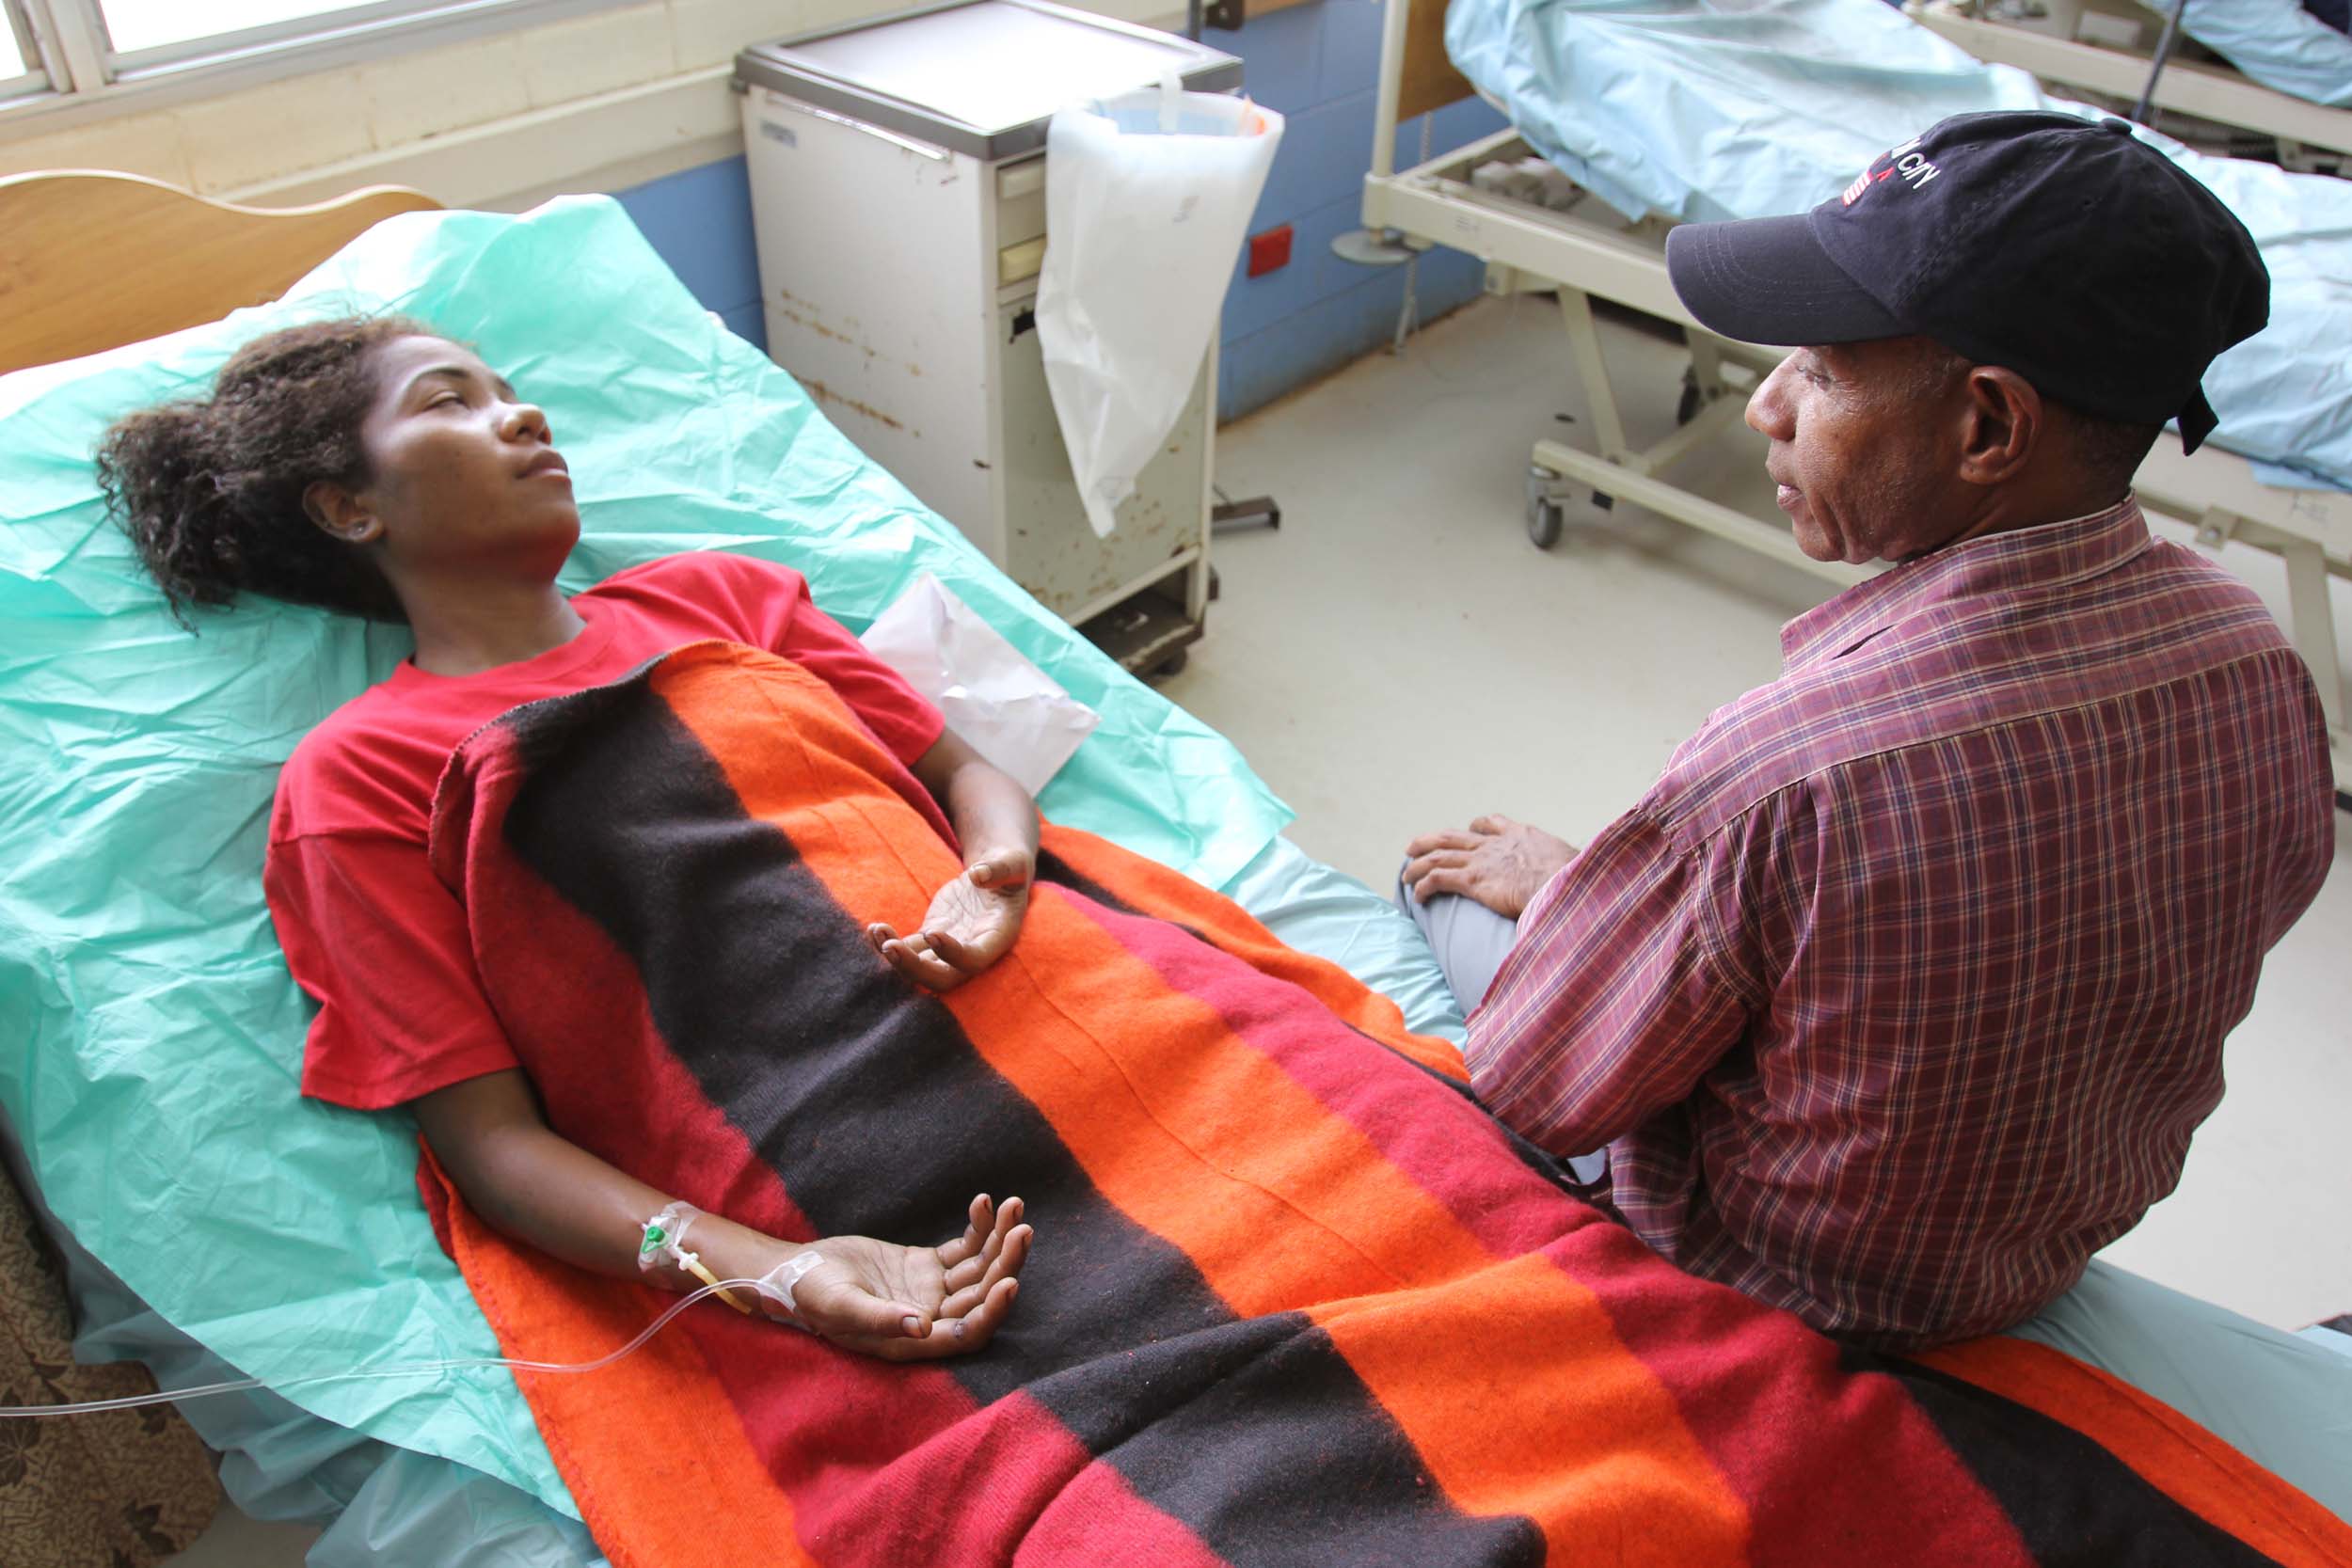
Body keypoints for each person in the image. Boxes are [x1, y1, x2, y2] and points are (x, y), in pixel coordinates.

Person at [1401, 111, 2336, 1349]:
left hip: (1782, 1275)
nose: (1766, 404)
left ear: (1991, 427)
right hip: (2035, 1257)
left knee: (1442, 895)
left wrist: (1578, 894)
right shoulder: (2258, 663)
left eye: (1825, 368)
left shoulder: (1791, 768)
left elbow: (1541, 1080)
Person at [98, 318, 1034, 1361]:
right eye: (449, 401)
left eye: (510, 388)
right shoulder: (358, 776)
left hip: (1051, 990)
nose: (523, 413)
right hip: (844, 1163)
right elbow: (491, 1147)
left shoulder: (723, 597)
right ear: (348, 506)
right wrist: (771, 1269)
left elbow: (963, 773)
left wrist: (996, 874)